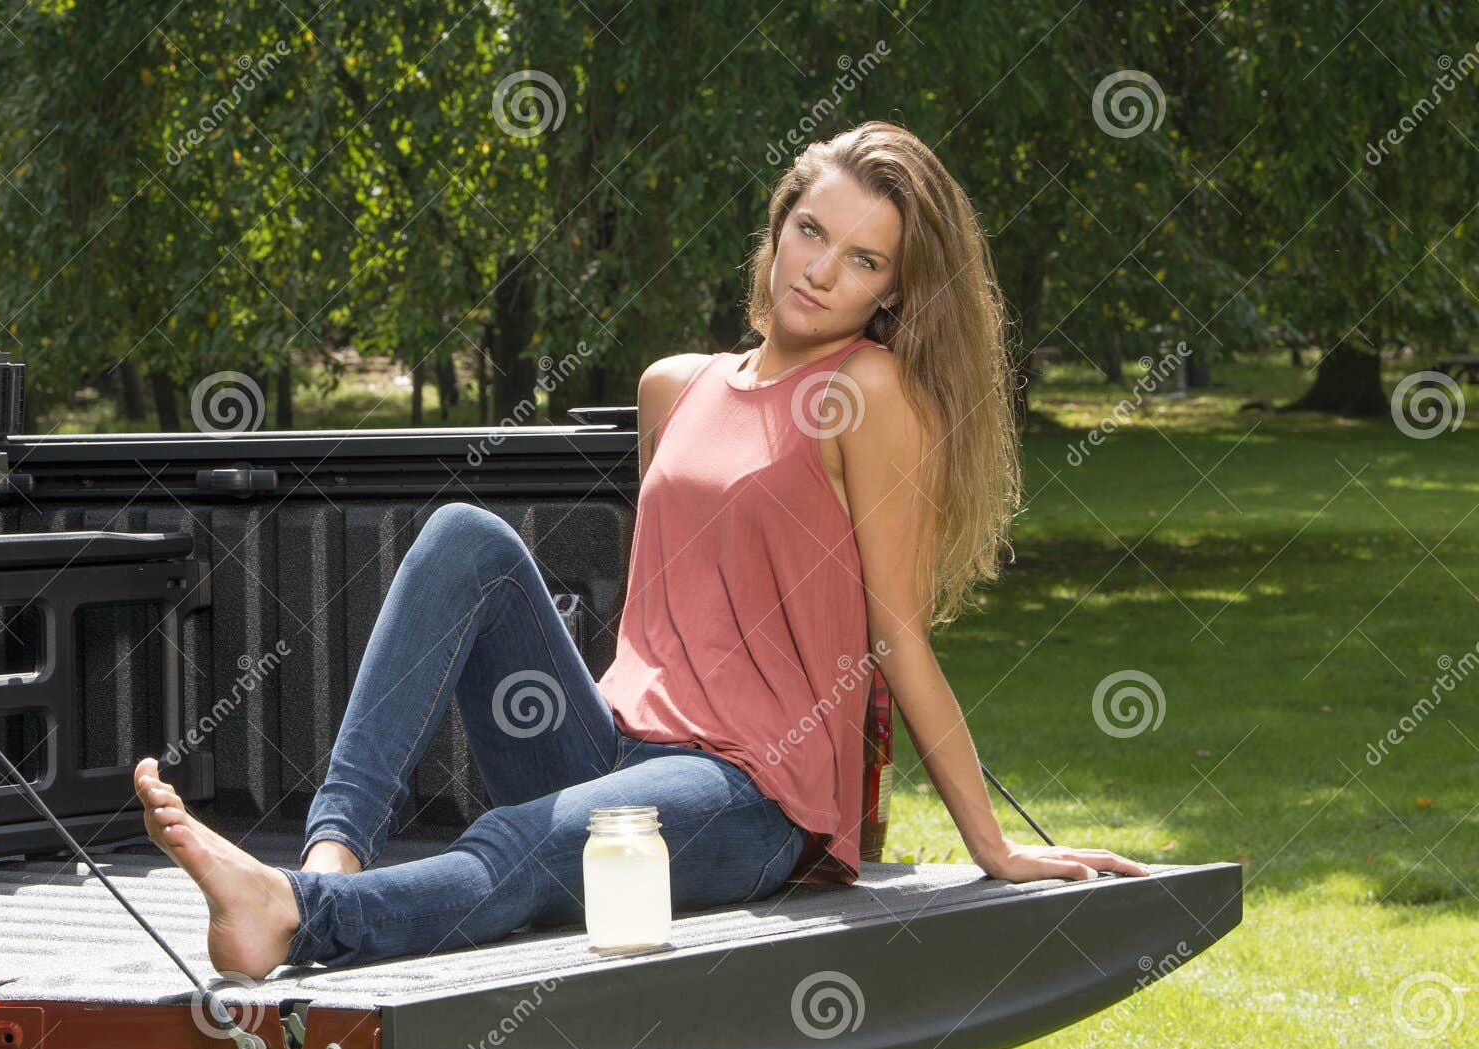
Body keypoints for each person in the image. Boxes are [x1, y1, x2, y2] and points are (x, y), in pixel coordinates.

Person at [133, 119, 1149, 980]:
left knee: (537, 841)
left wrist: (994, 847)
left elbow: (898, 635)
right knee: (463, 537)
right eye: (810, 233)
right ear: (778, 227)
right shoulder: (676, 387)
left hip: (751, 792)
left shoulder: (870, 391)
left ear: (890, 291)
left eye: (863, 260)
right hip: (607, 743)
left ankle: (295, 918)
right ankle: (333, 857)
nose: (821, 271)